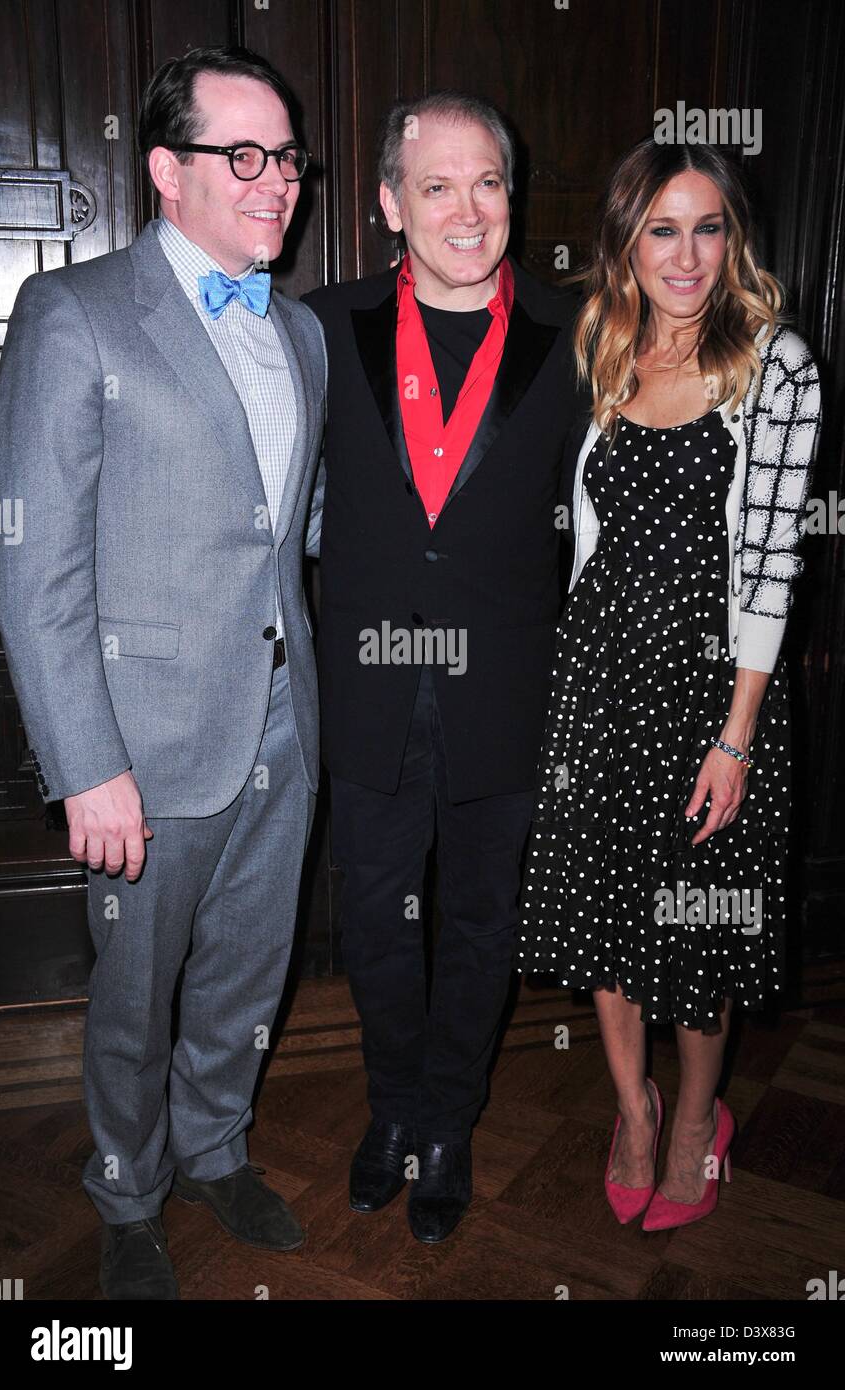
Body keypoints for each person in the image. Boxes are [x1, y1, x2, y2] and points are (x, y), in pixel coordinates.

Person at [0, 45, 326, 1299]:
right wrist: (87, 764)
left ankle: (215, 1147)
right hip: (141, 742)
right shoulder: (73, 313)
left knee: (248, 967)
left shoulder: (299, 331)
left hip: (284, 727)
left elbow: (289, 525)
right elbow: (34, 567)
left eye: (286, 155)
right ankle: (126, 1193)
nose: (275, 179)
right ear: (167, 171)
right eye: (243, 154)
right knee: (134, 993)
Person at [518, 136, 821, 1231]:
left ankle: (696, 1116)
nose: (686, 254)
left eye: (708, 226)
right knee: (608, 918)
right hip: (600, 676)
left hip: (714, 694)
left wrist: (738, 735)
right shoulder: (601, 344)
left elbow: (775, 558)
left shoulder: (773, 364)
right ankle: (632, 1113)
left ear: (732, 239)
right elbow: (582, 534)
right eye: (661, 228)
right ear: (626, 242)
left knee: (698, 924)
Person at [302, 91, 585, 1242]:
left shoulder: (582, 337)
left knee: (477, 921)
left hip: (506, 696)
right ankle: (392, 1112)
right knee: (374, 921)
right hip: (366, 688)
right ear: (388, 203)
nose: (468, 210)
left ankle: (451, 1123)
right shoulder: (319, 325)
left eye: (489, 183)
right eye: (436, 185)